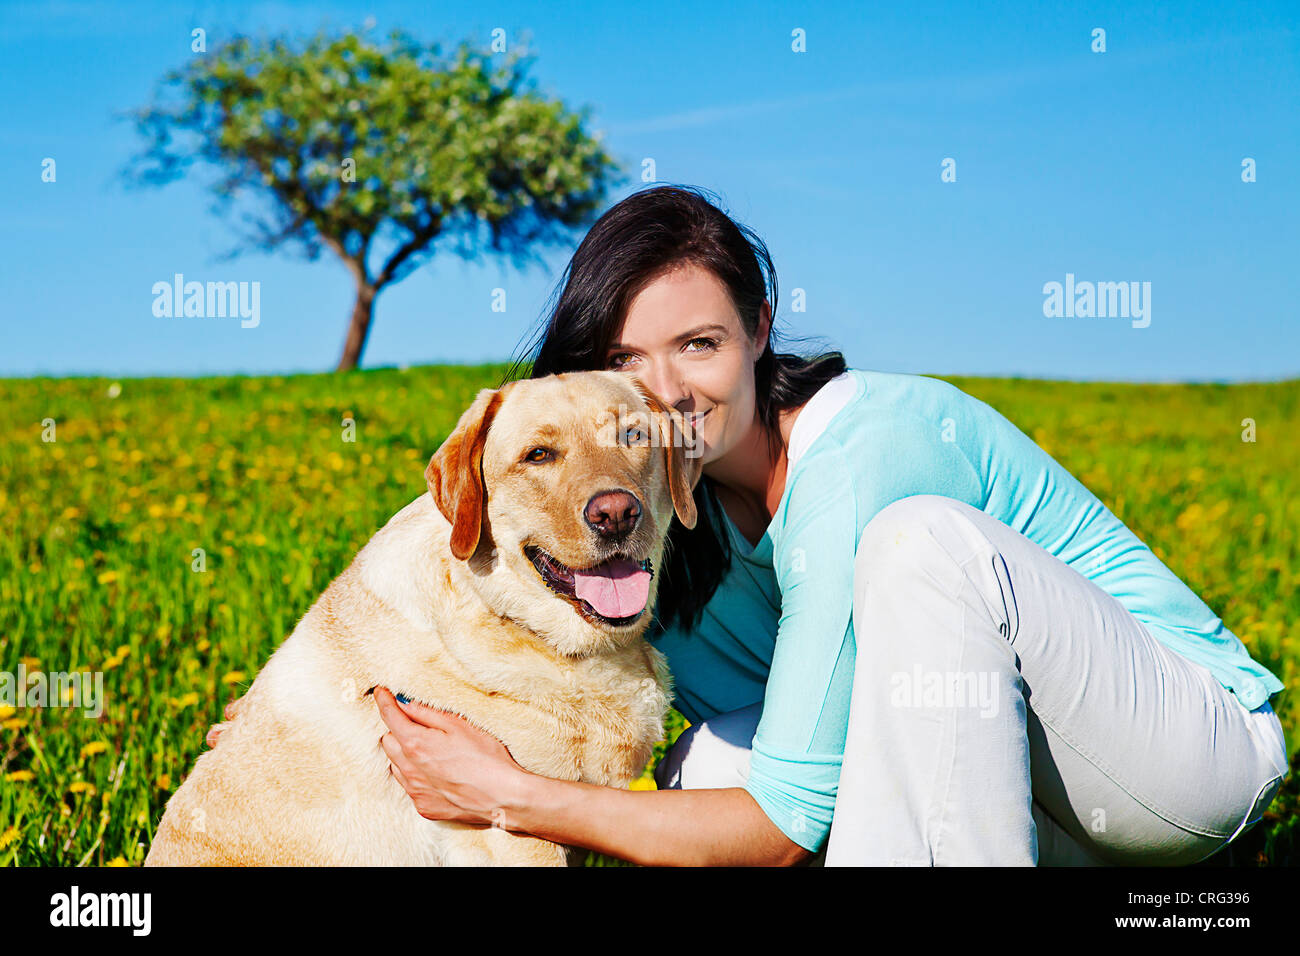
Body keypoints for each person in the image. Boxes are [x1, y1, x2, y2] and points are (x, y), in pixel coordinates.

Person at [209, 185, 1289, 866]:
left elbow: (779, 832)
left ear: (759, 328)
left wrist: (521, 799)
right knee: (713, 763)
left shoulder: (867, 447)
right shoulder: (638, 529)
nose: (664, 393)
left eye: (699, 344)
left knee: (918, 551)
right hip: (1003, 784)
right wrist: (288, 724)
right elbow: (458, 532)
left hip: (1177, 763)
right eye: (627, 362)